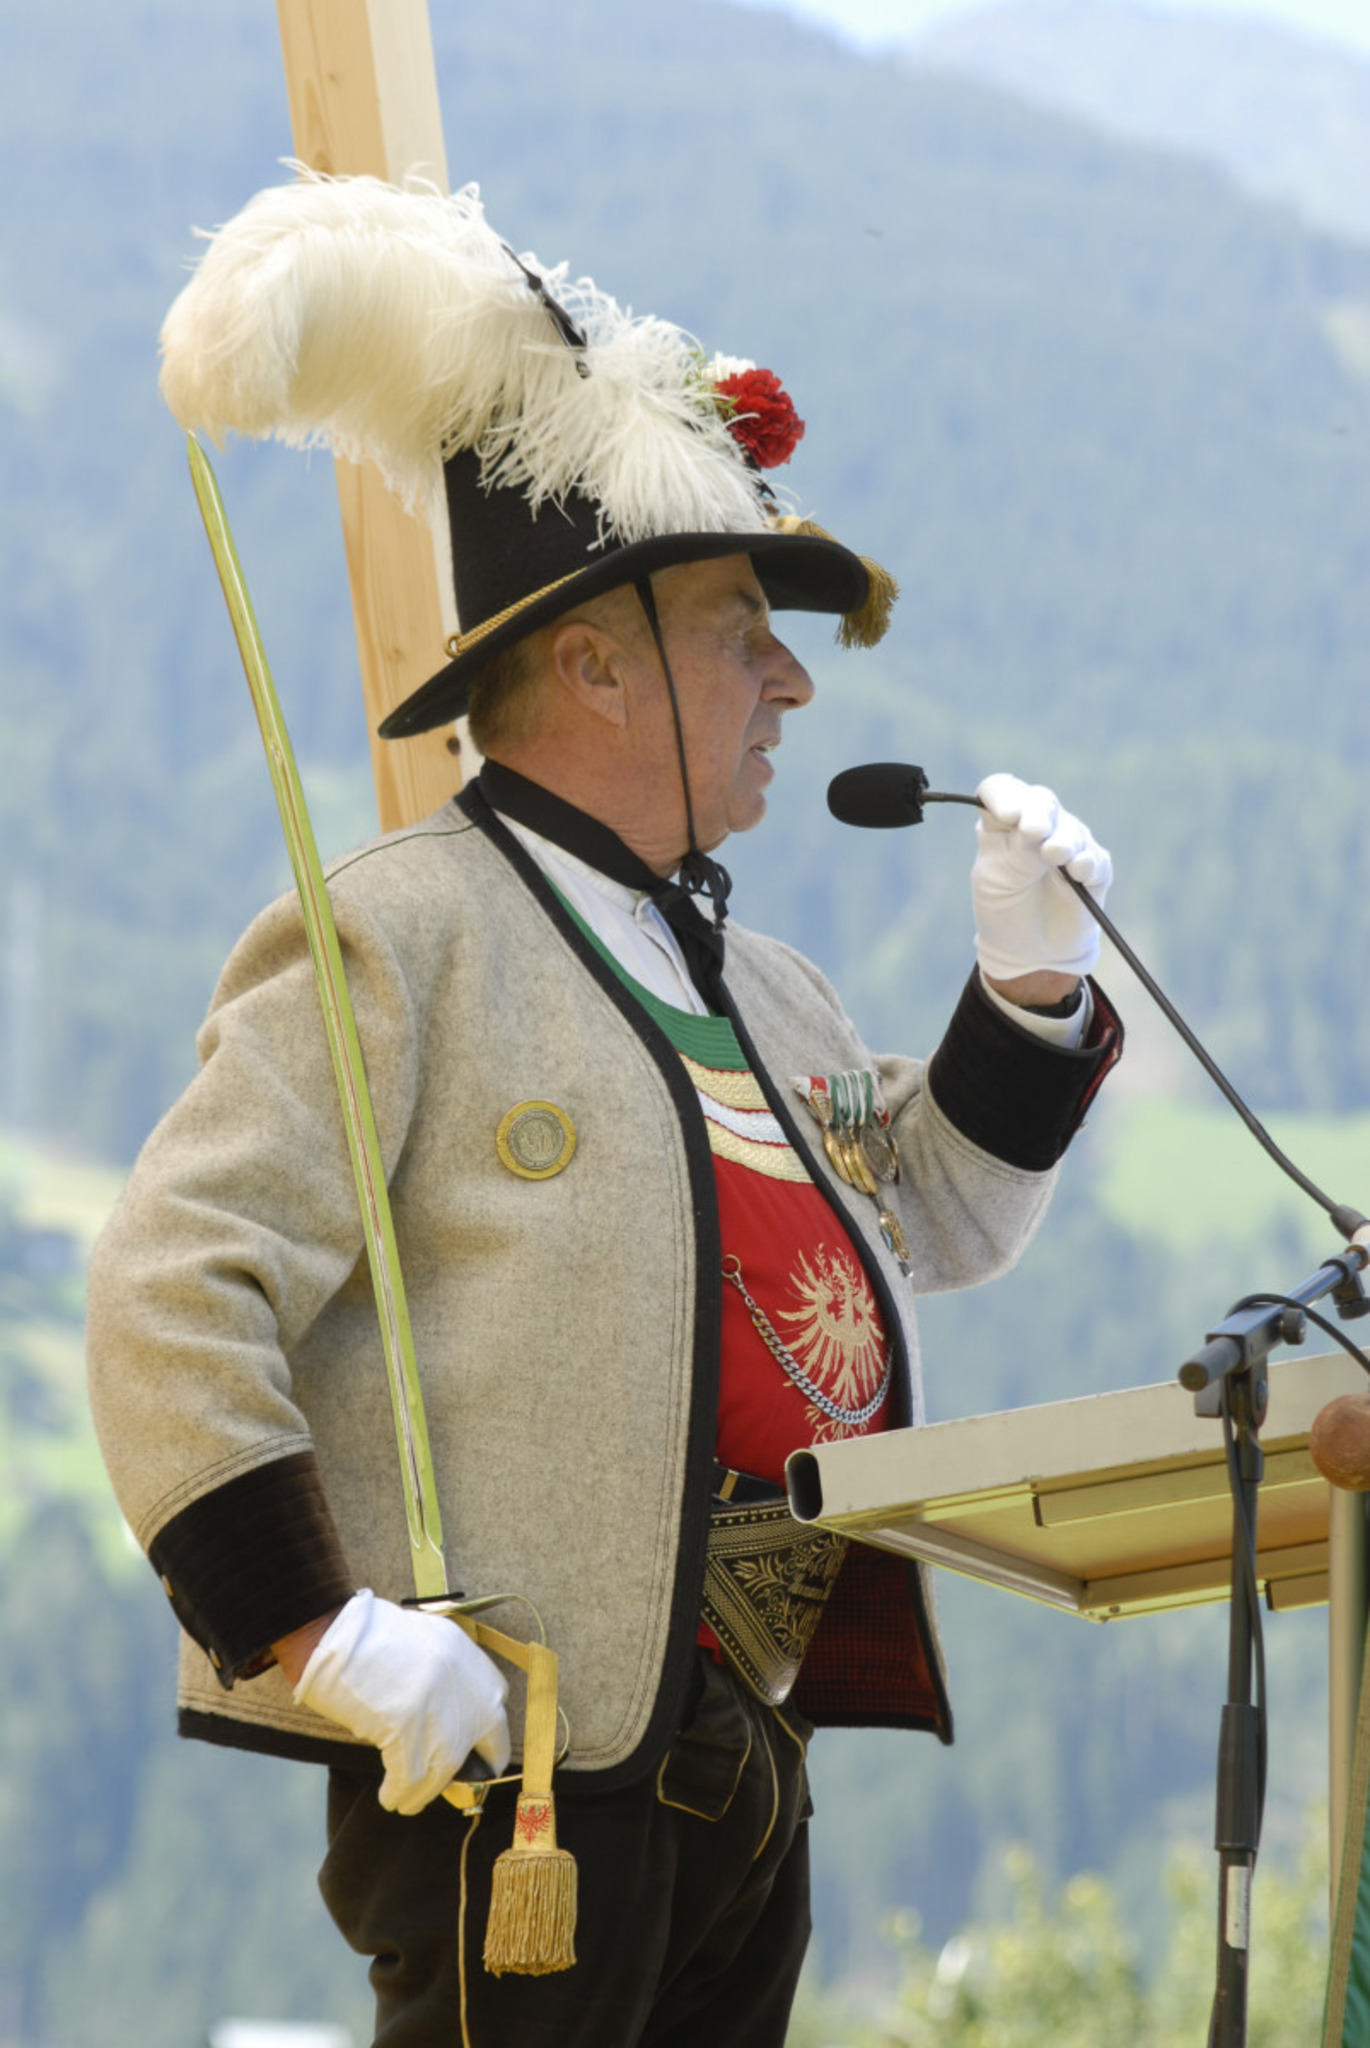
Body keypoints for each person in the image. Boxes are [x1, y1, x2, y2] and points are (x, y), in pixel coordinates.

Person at [87, 171, 1121, 2047]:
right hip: (525, 1773)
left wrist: (1029, 994)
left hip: (742, 1750)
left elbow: (943, 1220)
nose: (792, 678)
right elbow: (169, 1286)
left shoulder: (766, 979)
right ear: (588, 658)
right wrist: (321, 1637)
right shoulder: (406, 935)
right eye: (740, 625)